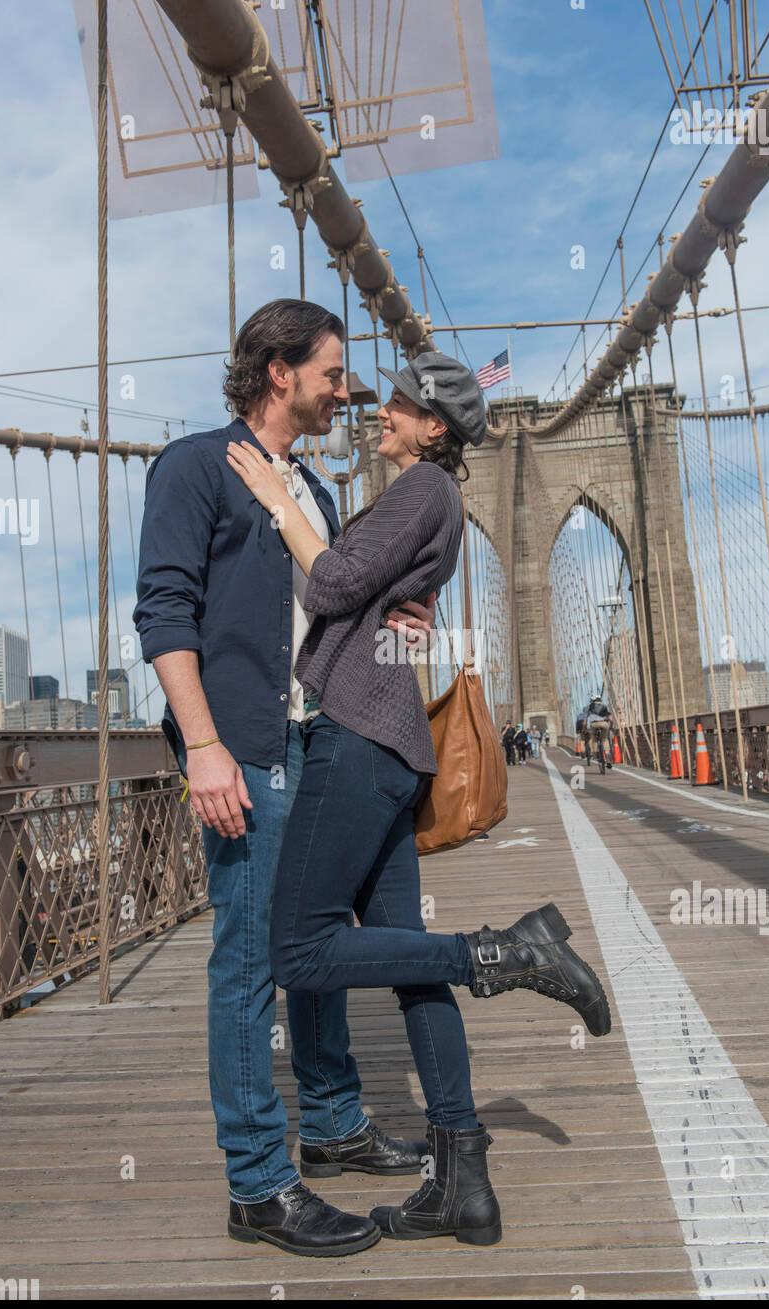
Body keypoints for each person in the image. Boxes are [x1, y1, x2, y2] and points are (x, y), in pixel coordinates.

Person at [225, 350, 612, 1250]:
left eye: (398, 403)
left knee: (298, 949)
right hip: (389, 733)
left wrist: (278, 499)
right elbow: (367, 599)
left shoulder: (421, 492)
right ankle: (461, 1186)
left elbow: (327, 584)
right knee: (408, 966)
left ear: (435, 426)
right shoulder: (428, 499)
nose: (383, 412)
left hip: (357, 738)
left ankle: (504, 950)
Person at [134, 299, 440, 1260]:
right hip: (244, 747)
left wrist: (402, 619)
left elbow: (331, 606)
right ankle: (260, 1185)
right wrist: (205, 747)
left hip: (322, 742)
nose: (345, 388)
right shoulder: (193, 467)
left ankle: (336, 1124)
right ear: (279, 371)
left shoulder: (311, 487)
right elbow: (165, 615)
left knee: (310, 942)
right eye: (333, 370)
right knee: (251, 960)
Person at [585, 694, 614, 774]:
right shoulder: (604, 706)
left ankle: (597, 753)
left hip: (594, 724)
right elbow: (611, 719)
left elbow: (585, 720)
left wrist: (586, 728)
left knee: (594, 738)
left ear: (592, 700)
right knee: (605, 739)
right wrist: (610, 726)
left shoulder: (589, 707)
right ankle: (607, 756)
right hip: (604, 724)